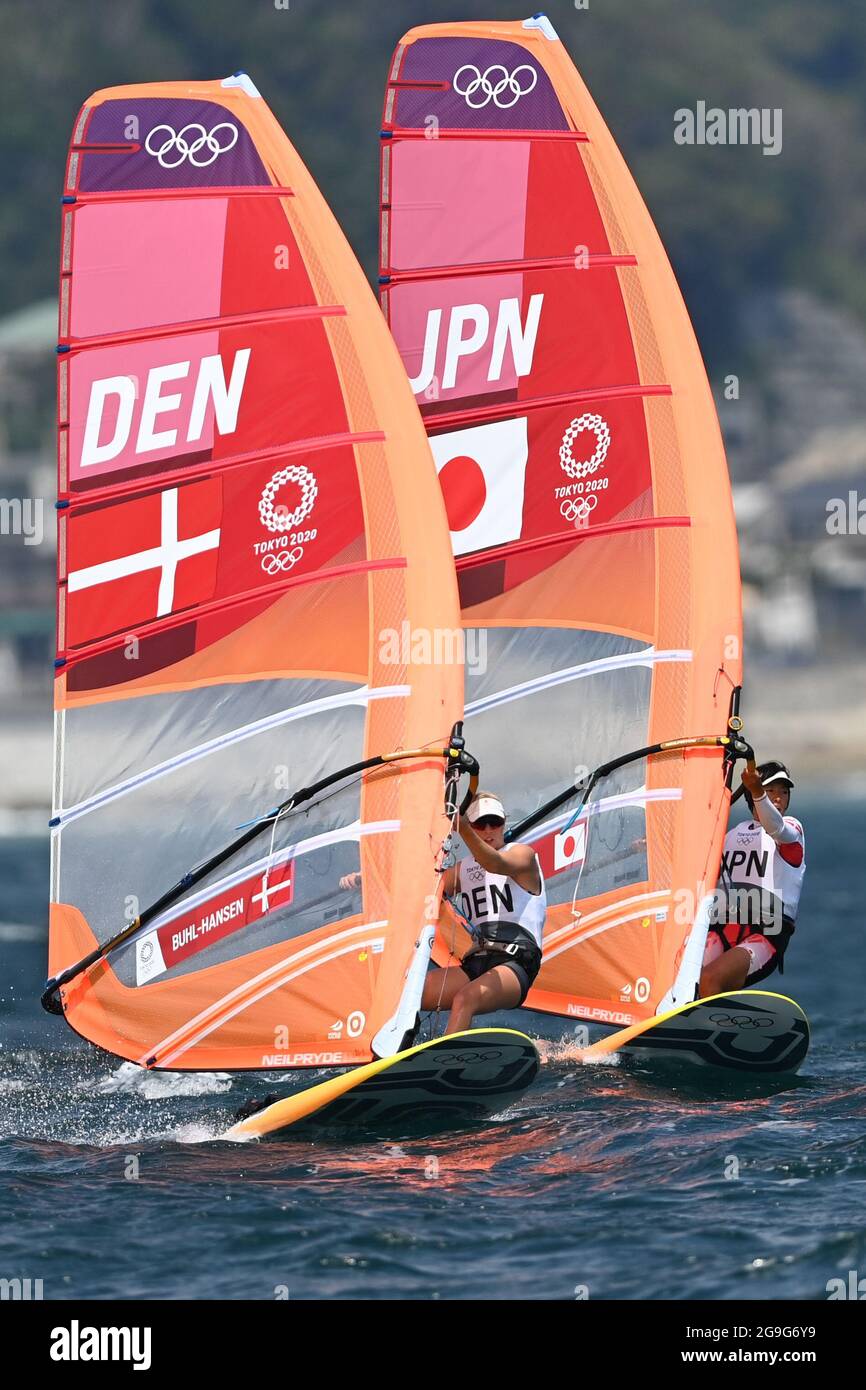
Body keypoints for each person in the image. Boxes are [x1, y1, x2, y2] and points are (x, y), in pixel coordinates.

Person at [420, 791, 546, 1034]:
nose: (489, 830)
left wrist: (463, 828)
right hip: (476, 963)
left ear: (503, 823)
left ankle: (448, 1061)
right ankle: (389, 1055)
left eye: (495, 823)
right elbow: (422, 887)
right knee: (410, 994)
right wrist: (365, 878)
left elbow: (495, 864)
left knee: (465, 999)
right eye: (480, 824)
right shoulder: (463, 870)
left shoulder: (523, 855)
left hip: (515, 964)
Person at [699, 760, 805, 996]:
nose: (778, 797)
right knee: (678, 978)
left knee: (709, 979)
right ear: (751, 793)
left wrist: (758, 791)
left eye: (784, 792)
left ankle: (705, 1030)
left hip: (765, 935)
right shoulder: (732, 835)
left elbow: (775, 828)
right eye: (771, 791)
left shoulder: (791, 829)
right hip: (723, 929)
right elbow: (697, 861)